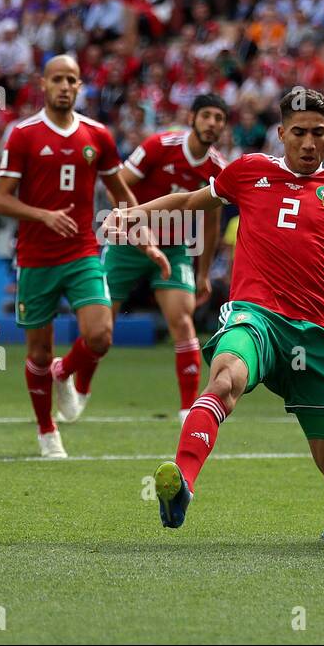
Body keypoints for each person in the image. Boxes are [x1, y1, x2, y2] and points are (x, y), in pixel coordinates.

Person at [112, 87, 324, 539]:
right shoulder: (249, 171)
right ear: (282, 133)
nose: (310, 143)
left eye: (320, 134)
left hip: (319, 337)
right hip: (258, 317)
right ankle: (183, 482)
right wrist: (135, 215)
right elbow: (190, 201)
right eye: (300, 133)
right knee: (226, 377)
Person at [0, 54, 167, 459]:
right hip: (35, 258)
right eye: (58, 79)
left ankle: (64, 371)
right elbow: (2, 201)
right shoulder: (23, 135)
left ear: (80, 86)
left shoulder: (97, 135)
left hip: (82, 252)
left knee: (101, 335)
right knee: (37, 350)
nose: (65, 86)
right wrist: (42, 215)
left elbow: (121, 193)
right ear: (44, 84)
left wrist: (144, 240)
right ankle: (46, 430)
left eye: (72, 79)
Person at [104, 94, 228, 423]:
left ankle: (189, 408)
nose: (212, 123)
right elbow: (116, 185)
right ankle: (73, 377)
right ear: (192, 117)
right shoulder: (159, 145)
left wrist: (203, 274)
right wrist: (128, 221)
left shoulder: (217, 167)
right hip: (130, 241)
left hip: (174, 247)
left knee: (183, 321)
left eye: (219, 118)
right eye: (207, 116)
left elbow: (211, 224)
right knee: (101, 330)